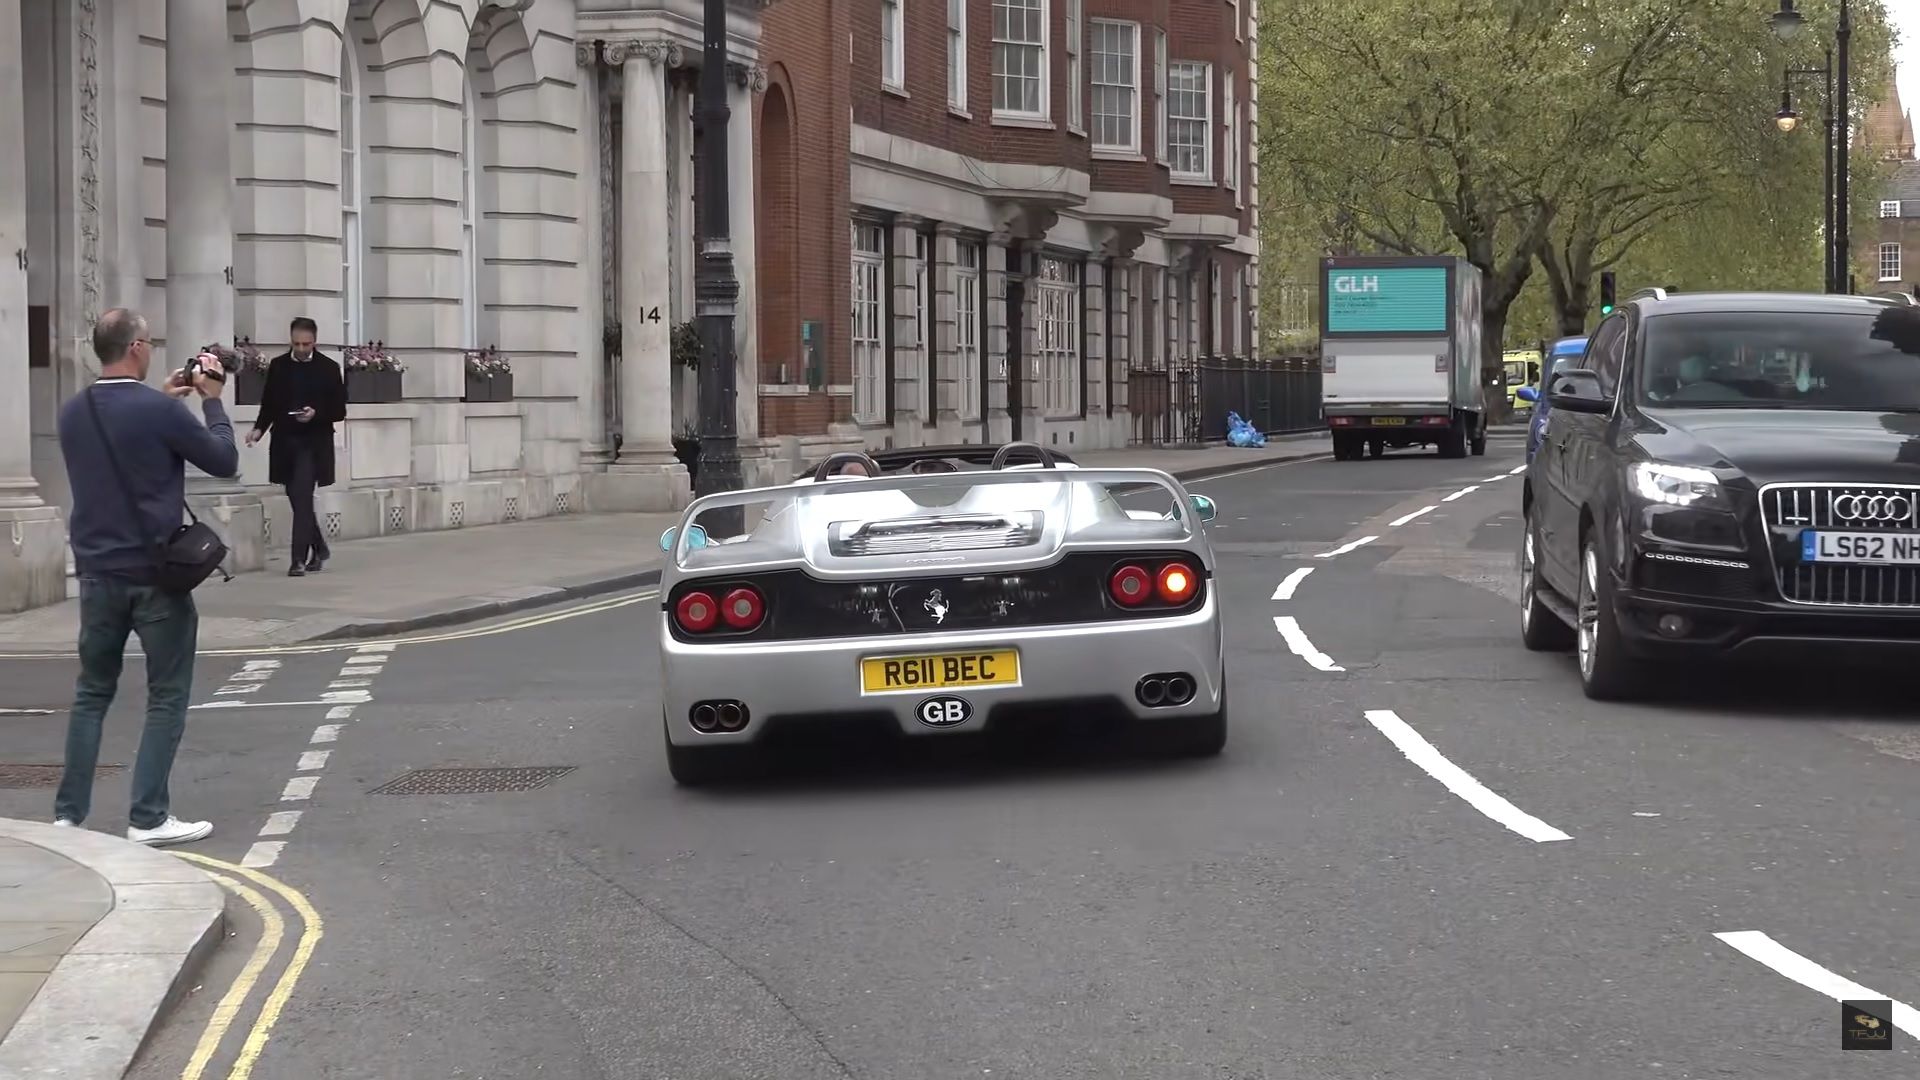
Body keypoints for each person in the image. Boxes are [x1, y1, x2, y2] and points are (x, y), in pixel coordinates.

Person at [54, 308, 238, 846]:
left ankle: (69, 815)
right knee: (166, 695)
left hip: (96, 574)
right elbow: (223, 459)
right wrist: (210, 398)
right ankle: (148, 817)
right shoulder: (160, 411)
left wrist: (160, 397)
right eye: (149, 341)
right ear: (135, 347)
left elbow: (118, 446)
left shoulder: (73, 411)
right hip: (156, 574)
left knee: (92, 693)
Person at [245, 317, 347, 575]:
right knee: (296, 497)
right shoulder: (279, 366)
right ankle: (320, 547)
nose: (301, 349)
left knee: (302, 494)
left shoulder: (329, 368)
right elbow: (268, 404)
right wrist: (258, 429)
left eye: (307, 344)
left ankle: (297, 560)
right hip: (285, 441)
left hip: (314, 442)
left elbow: (339, 410)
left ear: (315, 341)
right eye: (297, 343)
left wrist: (316, 413)